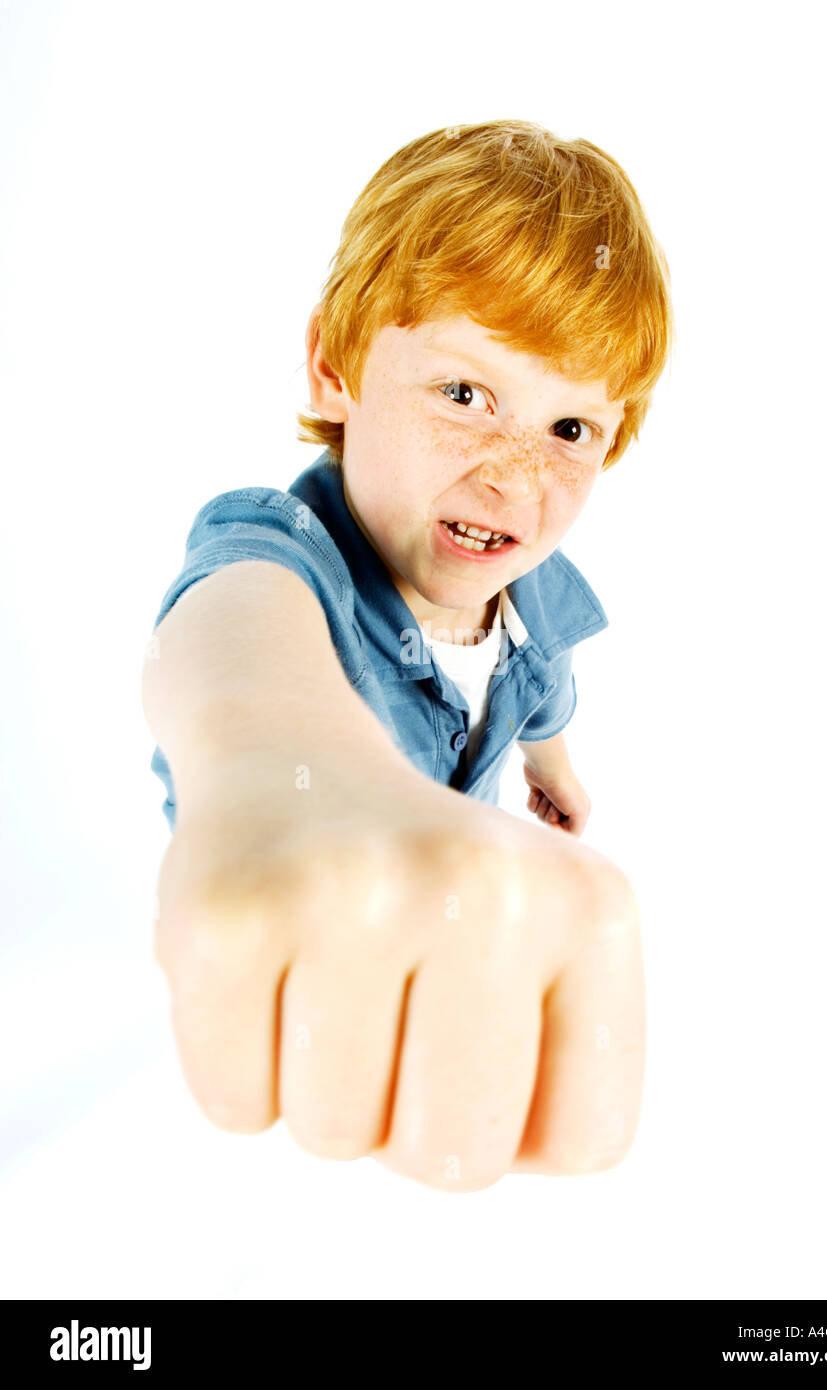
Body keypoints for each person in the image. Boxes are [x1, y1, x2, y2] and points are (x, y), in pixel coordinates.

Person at [142, 119, 673, 1192]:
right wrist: (284, 775)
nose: (514, 480)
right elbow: (232, 650)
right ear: (334, 369)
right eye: (464, 395)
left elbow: (546, 685)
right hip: (282, 957)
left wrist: (552, 767)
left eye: (571, 430)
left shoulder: (529, 587)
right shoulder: (282, 556)